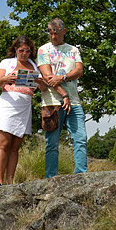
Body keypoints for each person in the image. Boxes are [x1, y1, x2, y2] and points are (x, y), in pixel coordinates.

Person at [0, 36, 52, 184]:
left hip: (25, 105)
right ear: (16, 50)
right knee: (4, 144)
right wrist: (7, 78)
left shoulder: (33, 65)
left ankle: (9, 181)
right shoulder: (7, 62)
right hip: (8, 103)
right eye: (21, 50)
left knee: (15, 146)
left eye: (27, 51)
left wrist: (39, 81)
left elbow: (43, 88)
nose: (24, 53)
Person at [37, 17, 87, 178]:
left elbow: (79, 71)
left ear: (64, 31)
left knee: (80, 138)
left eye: (56, 32)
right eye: (50, 33)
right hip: (52, 102)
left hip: (74, 102)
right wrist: (63, 94)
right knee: (52, 143)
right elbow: (47, 76)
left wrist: (64, 77)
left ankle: (81, 175)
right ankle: (51, 178)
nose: (53, 36)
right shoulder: (43, 50)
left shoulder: (73, 50)